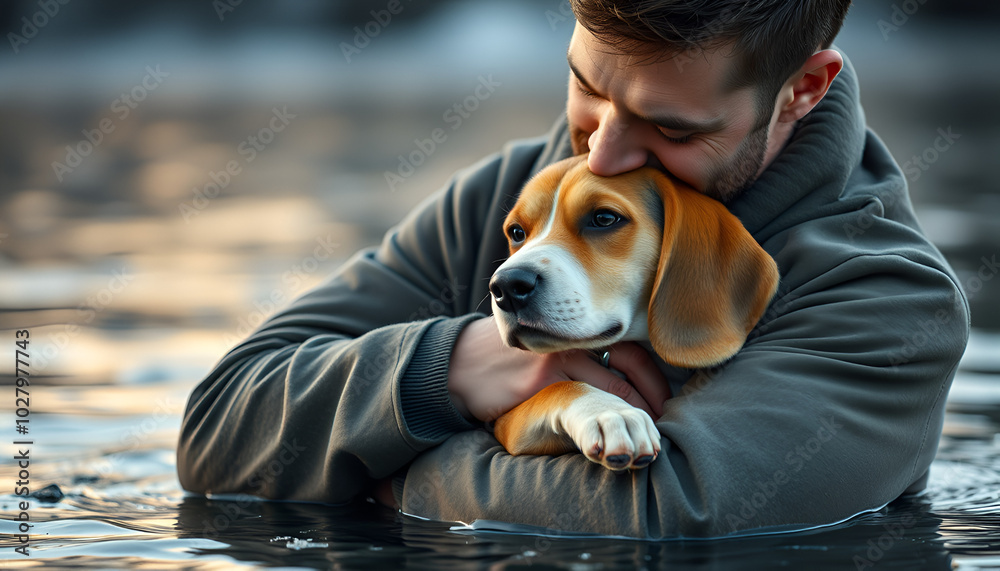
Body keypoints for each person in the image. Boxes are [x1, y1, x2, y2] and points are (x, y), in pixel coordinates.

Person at [177, 0, 970, 538]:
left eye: (668, 125)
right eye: (588, 88)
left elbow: (669, 516)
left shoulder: (890, 301)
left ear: (802, 90)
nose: (600, 152)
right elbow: (218, 432)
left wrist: (381, 482)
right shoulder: (521, 191)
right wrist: (450, 369)